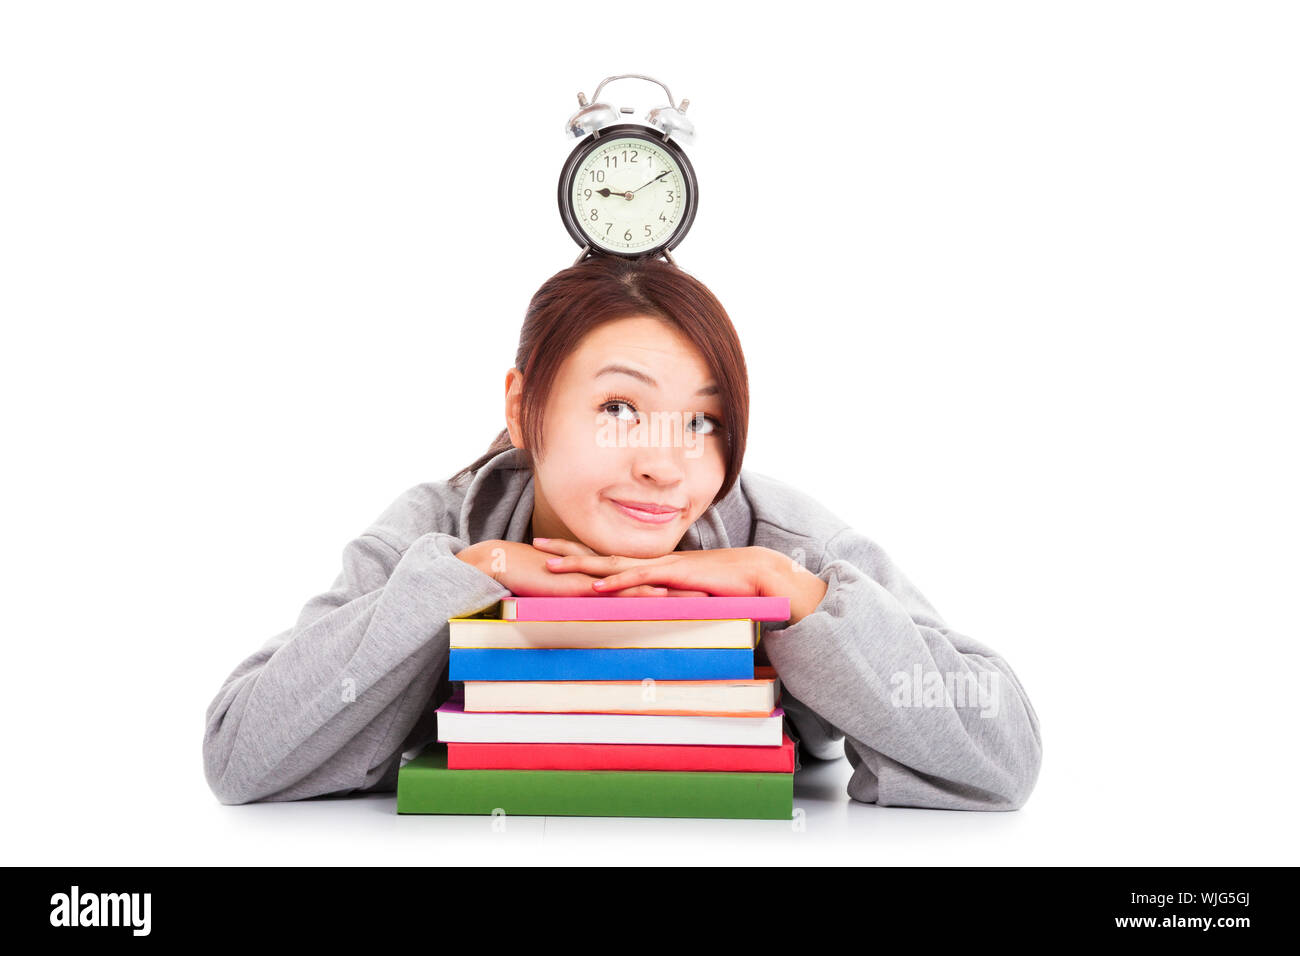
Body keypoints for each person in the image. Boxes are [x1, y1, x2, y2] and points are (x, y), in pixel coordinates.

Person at [202, 255, 1042, 811]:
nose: (666, 466)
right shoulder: (441, 529)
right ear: (519, 407)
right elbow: (241, 752)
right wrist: (471, 575)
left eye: (704, 421)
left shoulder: (782, 541)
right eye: (618, 409)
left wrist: (807, 602)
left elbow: (1003, 748)